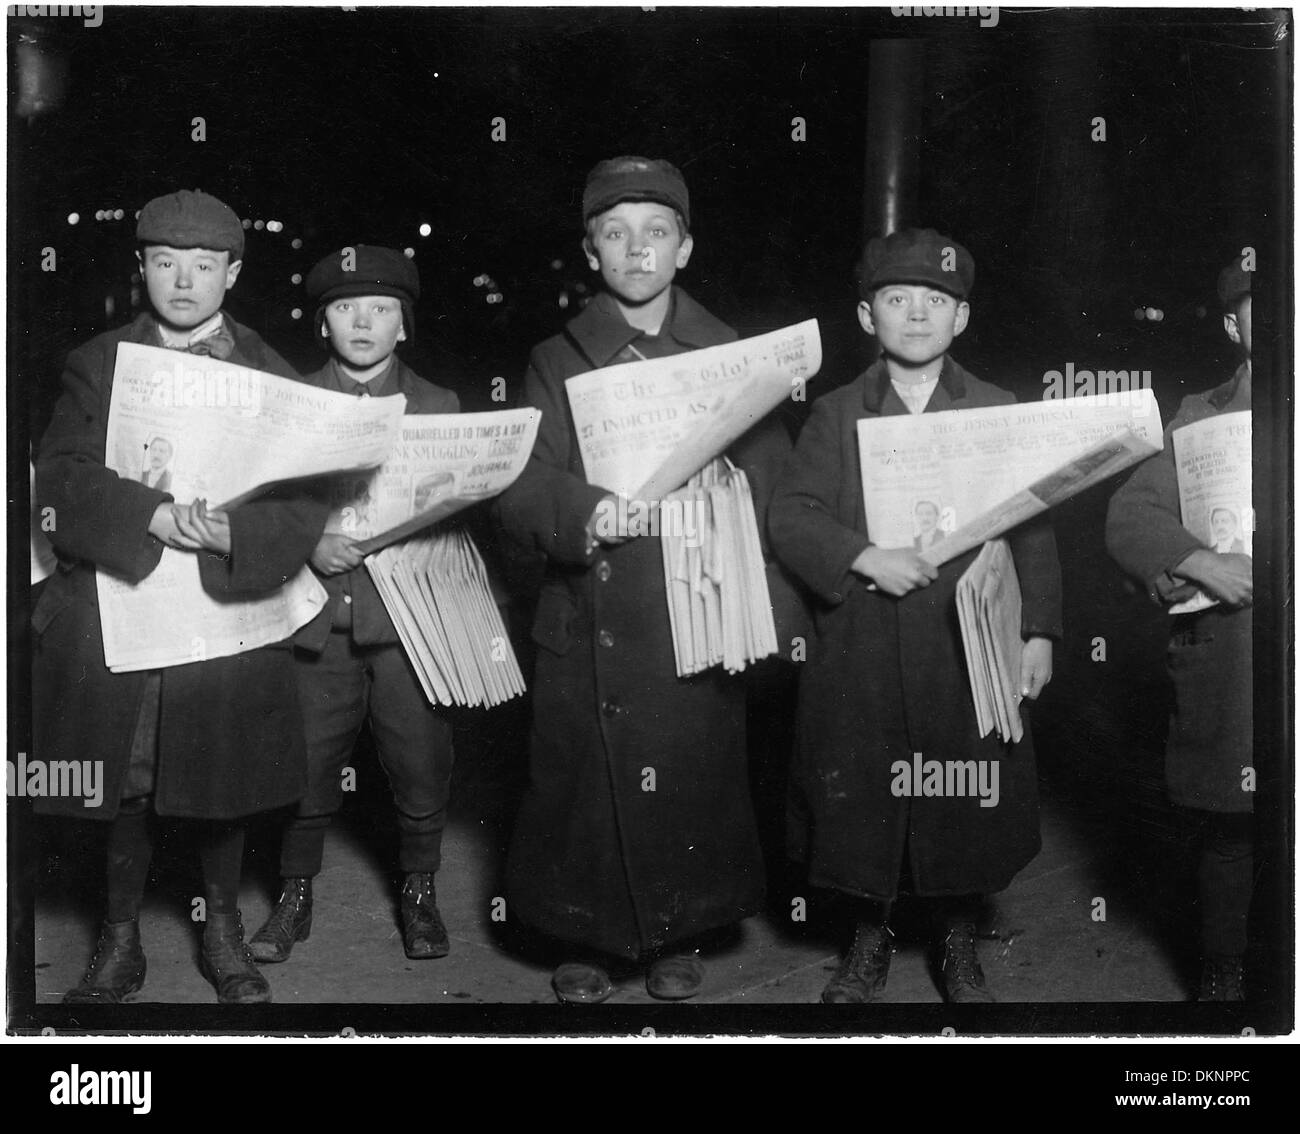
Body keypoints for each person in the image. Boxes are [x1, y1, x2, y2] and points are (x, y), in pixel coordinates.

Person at [494, 156, 790, 1003]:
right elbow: (520, 482)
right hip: (586, 606)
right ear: (591, 253)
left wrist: (766, 607)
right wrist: (584, 510)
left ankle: (677, 930)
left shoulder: (733, 354)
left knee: (689, 768)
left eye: (655, 233)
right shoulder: (555, 358)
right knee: (578, 782)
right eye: (615, 235)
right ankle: (584, 933)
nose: (636, 250)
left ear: (685, 249)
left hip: (691, 604)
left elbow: (773, 481)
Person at [34, 188, 327, 1004]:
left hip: (221, 608)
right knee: (131, 772)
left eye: (204, 266)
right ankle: (120, 939)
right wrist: (151, 512)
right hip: (126, 598)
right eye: (166, 263)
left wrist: (241, 536)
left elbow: (305, 494)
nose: (185, 281)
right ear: (140, 268)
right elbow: (59, 478)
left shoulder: (267, 369)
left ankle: (223, 932)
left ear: (233, 272)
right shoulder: (100, 361)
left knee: (218, 773)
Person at [768, 227, 1061, 1004]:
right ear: (868, 318)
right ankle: (866, 940)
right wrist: (864, 555)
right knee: (864, 797)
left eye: (938, 302)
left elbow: (1033, 522)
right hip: (861, 643)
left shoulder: (998, 409)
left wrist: (1040, 632)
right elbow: (793, 515)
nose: (919, 316)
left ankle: (959, 944)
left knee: (963, 793)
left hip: (966, 650)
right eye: (898, 300)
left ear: (961, 320)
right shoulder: (833, 415)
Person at [250, 245, 460, 966]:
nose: (362, 322)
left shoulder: (440, 405)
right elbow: (264, 505)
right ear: (322, 325)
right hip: (319, 618)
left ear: (404, 326)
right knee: (306, 760)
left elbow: (458, 513)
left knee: (420, 757)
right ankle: (294, 893)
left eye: (381, 310)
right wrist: (312, 541)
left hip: (408, 620)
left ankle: (420, 891)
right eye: (344, 309)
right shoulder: (294, 403)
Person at [1106, 257, 1253, 1000]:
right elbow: (1131, 514)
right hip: (1234, 664)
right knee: (1233, 826)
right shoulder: (1200, 415)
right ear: (1232, 325)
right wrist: (1196, 561)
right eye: (1259, 307)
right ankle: (1224, 972)